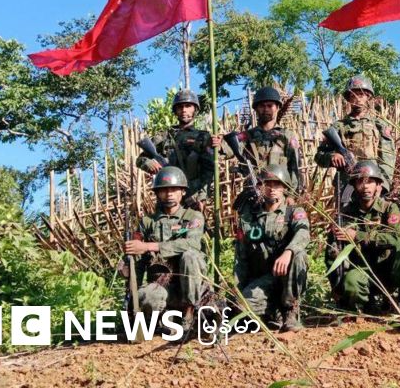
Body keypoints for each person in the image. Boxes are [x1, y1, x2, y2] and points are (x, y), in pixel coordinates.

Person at [326, 160, 400, 313]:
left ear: (379, 186)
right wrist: (336, 285)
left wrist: (357, 236)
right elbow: (332, 252)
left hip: (387, 270)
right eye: (361, 181)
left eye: (370, 182)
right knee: (352, 281)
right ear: (354, 186)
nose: (366, 186)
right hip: (362, 271)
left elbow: (394, 239)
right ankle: (367, 304)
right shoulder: (345, 214)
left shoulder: (389, 208)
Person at [233, 164, 310, 332]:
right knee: (241, 306)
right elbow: (241, 256)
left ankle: (291, 310)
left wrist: (288, 252)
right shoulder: (250, 217)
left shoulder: (293, 212)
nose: (272, 189)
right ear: (260, 187)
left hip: (286, 277)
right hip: (263, 278)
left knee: (299, 255)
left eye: (277, 185)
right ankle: (273, 311)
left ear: (284, 188)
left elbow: (303, 233)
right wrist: (237, 288)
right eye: (267, 184)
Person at [123, 166, 208, 317]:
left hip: (192, 288)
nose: (169, 194)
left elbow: (192, 243)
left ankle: (190, 313)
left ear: (182, 192)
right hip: (163, 286)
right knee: (147, 297)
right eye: (164, 190)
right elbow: (138, 259)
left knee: (190, 255)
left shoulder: (193, 217)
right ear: (157, 193)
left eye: (174, 190)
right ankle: (164, 316)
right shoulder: (148, 222)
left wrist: (148, 246)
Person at [315, 75, 397, 208]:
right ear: (348, 98)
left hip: (372, 183)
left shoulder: (379, 125)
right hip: (347, 183)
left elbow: (388, 159)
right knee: (346, 222)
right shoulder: (337, 127)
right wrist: (332, 156)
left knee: (374, 222)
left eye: (361, 95)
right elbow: (319, 156)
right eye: (354, 95)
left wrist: (383, 185)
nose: (358, 99)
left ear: (368, 97)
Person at [218, 86, 306, 209]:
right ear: (256, 109)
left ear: (277, 107)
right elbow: (226, 150)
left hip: (279, 196)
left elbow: (295, 168)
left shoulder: (287, 136)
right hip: (253, 193)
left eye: (270, 106)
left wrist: (292, 195)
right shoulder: (247, 136)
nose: (265, 109)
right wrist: (217, 144)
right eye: (262, 106)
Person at [136, 89, 215, 205]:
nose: (184, 110)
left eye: (188, 106)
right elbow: (140, 159)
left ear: (195, 109)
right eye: (180, 107)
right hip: (168, 194)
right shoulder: (164, 136)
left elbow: (209, 170)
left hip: (193, 195)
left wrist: (202, 196)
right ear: (175, 111)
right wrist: (147, 163)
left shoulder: (203, 137)